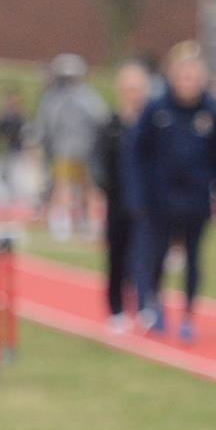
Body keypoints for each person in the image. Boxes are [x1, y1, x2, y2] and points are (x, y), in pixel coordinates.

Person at [126, 42, 216, 343]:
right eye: (182, 75)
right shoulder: (156, 109)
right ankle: (155, 302)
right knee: (157, 254)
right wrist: (138, 196)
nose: (187, 82)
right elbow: (137, 155)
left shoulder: (211, 111)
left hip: (196, 198)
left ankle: (188, 314)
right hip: (161, 198)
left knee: (193, 257)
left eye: (193, 75)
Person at [91, 62, 150, 331]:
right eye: (128, 88)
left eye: (137, 88)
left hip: (148, 202)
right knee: (118, 254)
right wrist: (103, 187)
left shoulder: (152, 124)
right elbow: (98, 160)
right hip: (118, 200)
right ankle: (116, 308)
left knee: (146, 254)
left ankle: (146, 303)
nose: (133, 94)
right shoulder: (110, 125)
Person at [33, 53, 109, 239]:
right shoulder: (81, 98)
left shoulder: (58, 99)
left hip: (77, 151)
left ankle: (74, 223)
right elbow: (101, 118)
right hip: (75, 150)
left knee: (80, 188)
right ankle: (71, 223)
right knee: (71, 187)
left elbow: (45, 126)